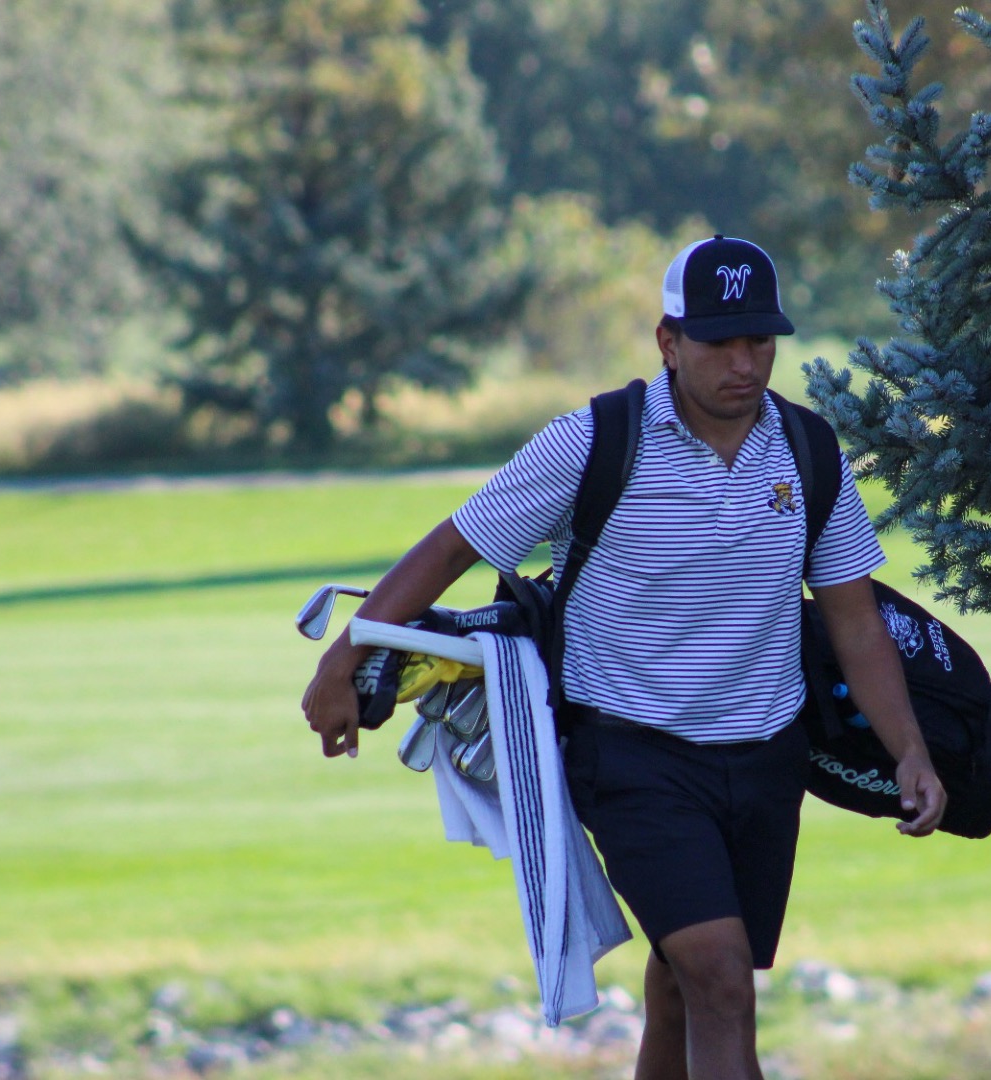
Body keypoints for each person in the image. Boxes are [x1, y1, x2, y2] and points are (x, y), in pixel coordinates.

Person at [301, 235, 946, 1080]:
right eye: (720, 343)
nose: (745, 364)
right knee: (721, 985)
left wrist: (910, 748)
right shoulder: (596, 442)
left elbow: (856, 623)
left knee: (689, 984)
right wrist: (343, 658)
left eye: (761, 340)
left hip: (766, 755)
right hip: (632, 756)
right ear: (668, 342)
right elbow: (455, 544)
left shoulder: (808, 452)